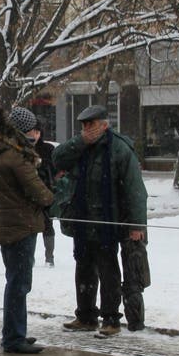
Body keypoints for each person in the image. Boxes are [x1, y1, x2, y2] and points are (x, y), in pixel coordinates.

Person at [52, 104, 148, 336]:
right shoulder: (81, 146)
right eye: (84, 125)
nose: (87, 129)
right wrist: (80, 141)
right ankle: (85, 316)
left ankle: (111, 319)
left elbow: (136, 190)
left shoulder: (119, 149)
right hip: (83, 221)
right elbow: (57, 159)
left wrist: (136, 225)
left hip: (108, 222)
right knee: (83, 269)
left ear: (105, 125)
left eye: (91, 125)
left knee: (108, 271)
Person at [0, 106, 54, 354]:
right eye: (31, 131)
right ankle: (14, 337)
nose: (34, 135)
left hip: (9, 226)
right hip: (20, 227)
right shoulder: (16, 157)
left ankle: (15, 333)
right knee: (19, 284)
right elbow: (40, 192)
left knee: (15, 282)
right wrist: (52, 195)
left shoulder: (0, 153)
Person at [23, 120, 56, 266]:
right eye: (32, 132)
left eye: (37, 132)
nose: (34, 135)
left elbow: (55, 169)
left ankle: (49, 257)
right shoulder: (21, 149)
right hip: (28, 194)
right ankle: (29, 256)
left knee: (48, 225)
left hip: (46, 191)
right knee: (31, 227)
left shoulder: (48, 149)